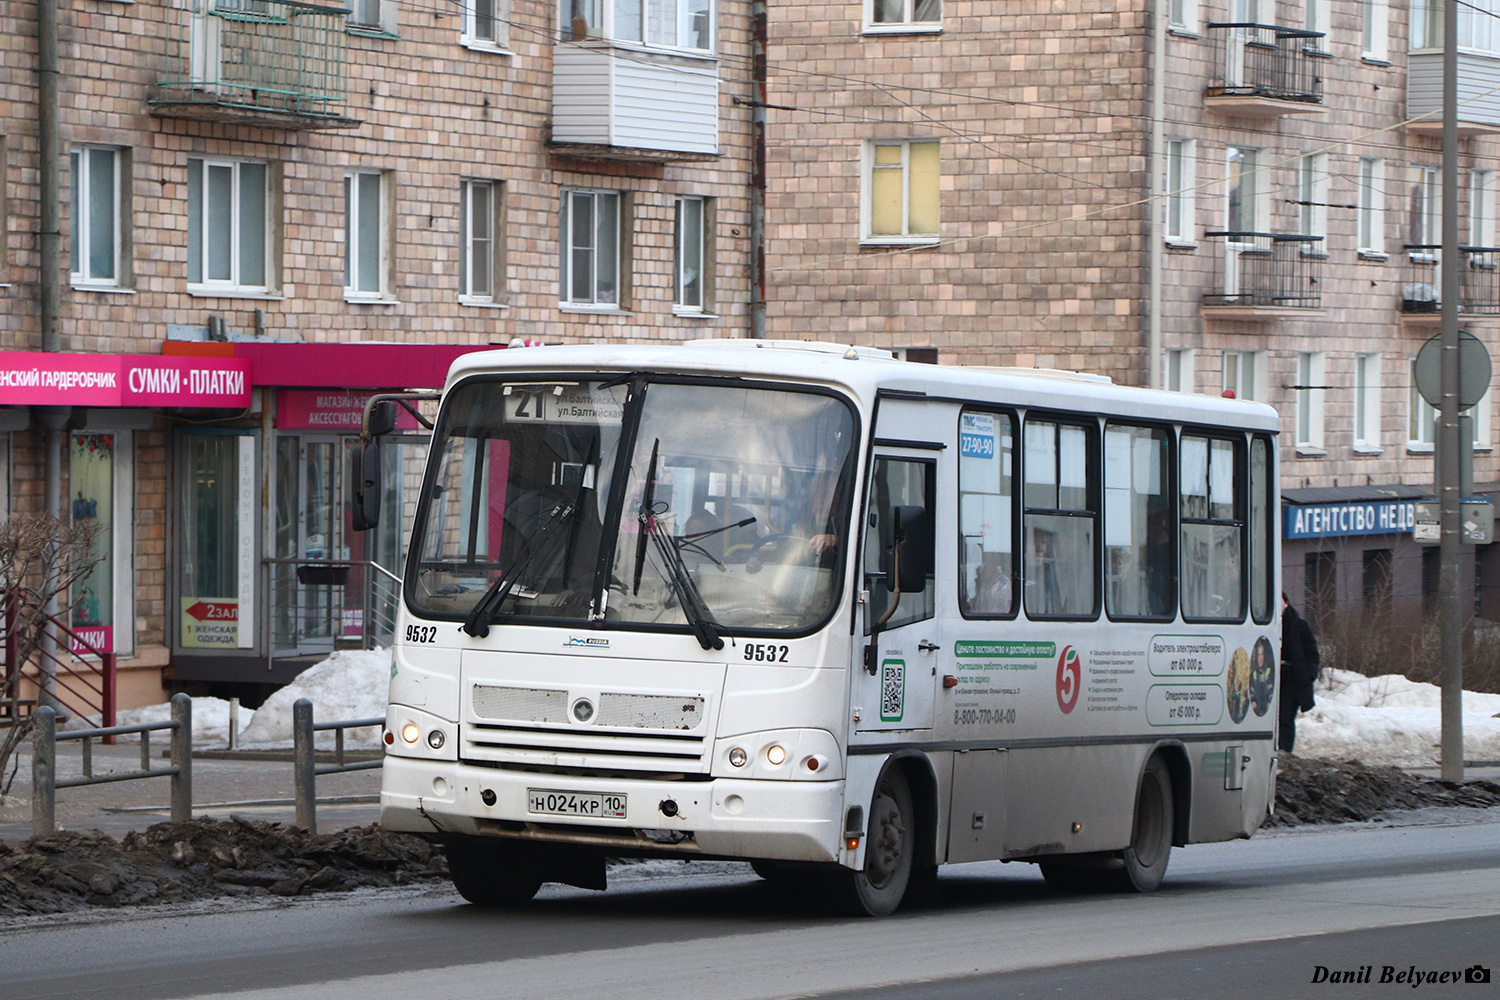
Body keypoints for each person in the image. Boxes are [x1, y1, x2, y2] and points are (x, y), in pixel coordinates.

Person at [1279, 593, 1320, 752]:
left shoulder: (1299, 626)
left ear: (1286, 603)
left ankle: (1284, 752)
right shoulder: (1266, 624)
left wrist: (1308, 675)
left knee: (1285, 717)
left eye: (1279, 601)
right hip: (1271, 677)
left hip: (1293, 679)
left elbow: (1312, 654)